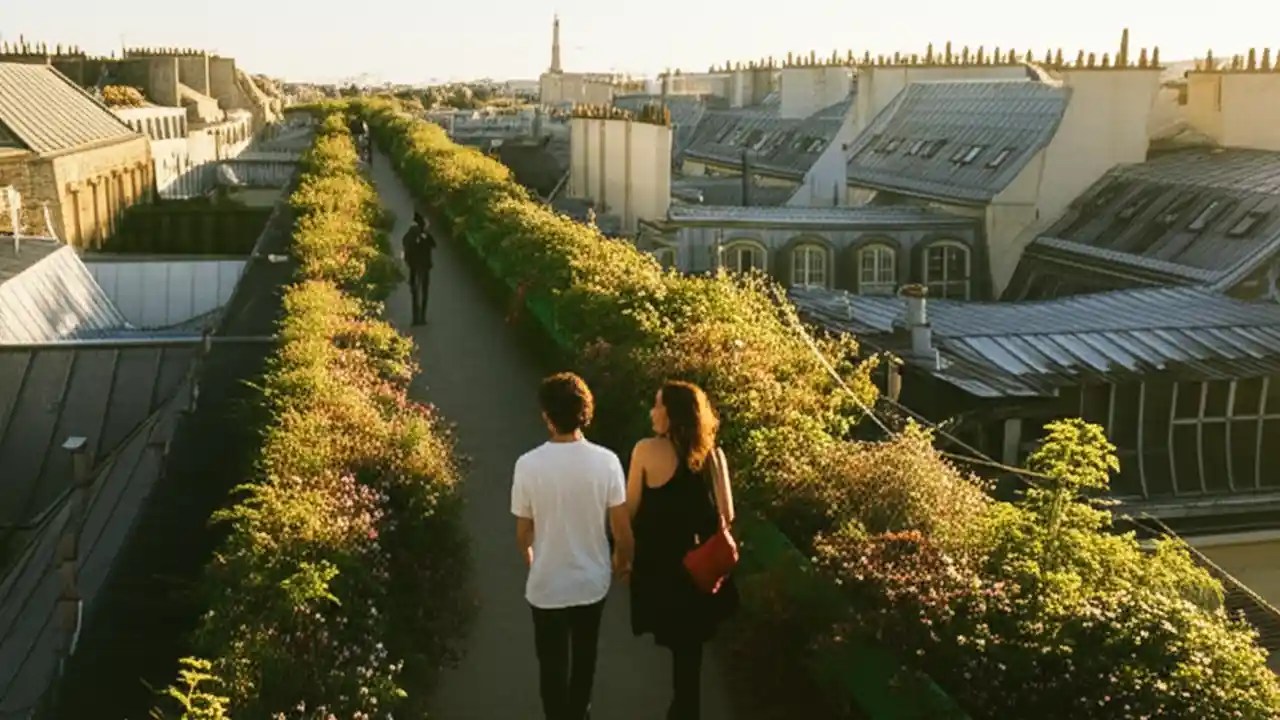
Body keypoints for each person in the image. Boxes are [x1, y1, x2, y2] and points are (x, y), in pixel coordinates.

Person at [512, 373, 634, 720]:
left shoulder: (528, 465)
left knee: (551, 666)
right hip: (591, 581)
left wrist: (531, 558)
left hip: (547, 584)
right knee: (585, 659)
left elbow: (523, 532)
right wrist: (622, 562)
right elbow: (622, 531)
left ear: (547, 416)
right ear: (585, 412)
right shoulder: (607, 462)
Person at [627, 381, 739, 720]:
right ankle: (684, 710)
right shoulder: (714, 456)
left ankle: (684, 711)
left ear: (672, 414)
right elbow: (728, 514)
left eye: (657, 405)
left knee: (682, 653)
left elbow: (630, 509)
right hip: (701, 569)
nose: (652, 411)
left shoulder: (646, 451)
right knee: (689, 655)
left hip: (662, 570)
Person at [401, 212, 436, 325]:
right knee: (424, 292)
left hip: (413, 266)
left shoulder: (410, 234)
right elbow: (434, 245)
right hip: (423, 266)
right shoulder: (423, 234)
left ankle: (416, 317)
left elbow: (405, 243)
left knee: (415, 292)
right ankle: (422, 317)